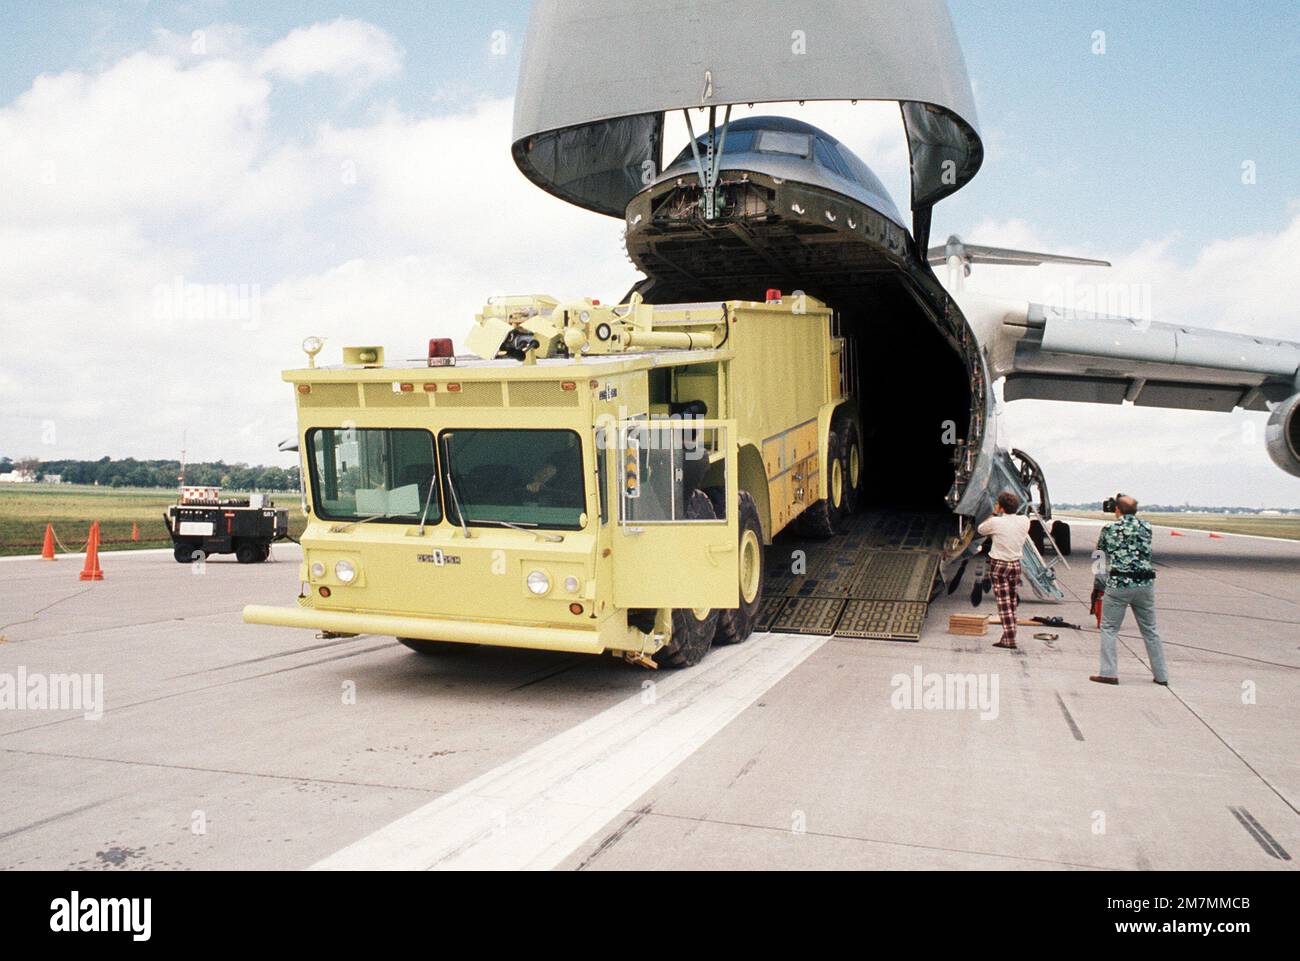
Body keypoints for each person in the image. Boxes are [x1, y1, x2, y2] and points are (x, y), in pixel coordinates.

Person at [1091, 495, 1169, 686]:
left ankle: (1109, 673)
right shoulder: (1146, 527)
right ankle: (1161, 675)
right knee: (1150, 630)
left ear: (1117, 510)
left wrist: (1099, 583)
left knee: (1109, 628)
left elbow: (1099, 555)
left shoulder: (1110, 529)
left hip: (1119, 583)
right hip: (1145, 584)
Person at [977, 491, 1032, 650]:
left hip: (999, 565)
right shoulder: (1025, 520)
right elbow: (1018, 518)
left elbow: (981, 529)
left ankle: (1009, 638)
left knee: (1003, 603)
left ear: (1000, 507)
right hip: (1015, 565)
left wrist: (994, 512)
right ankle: (1008, 634)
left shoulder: (995, 522)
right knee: (1012, 601)